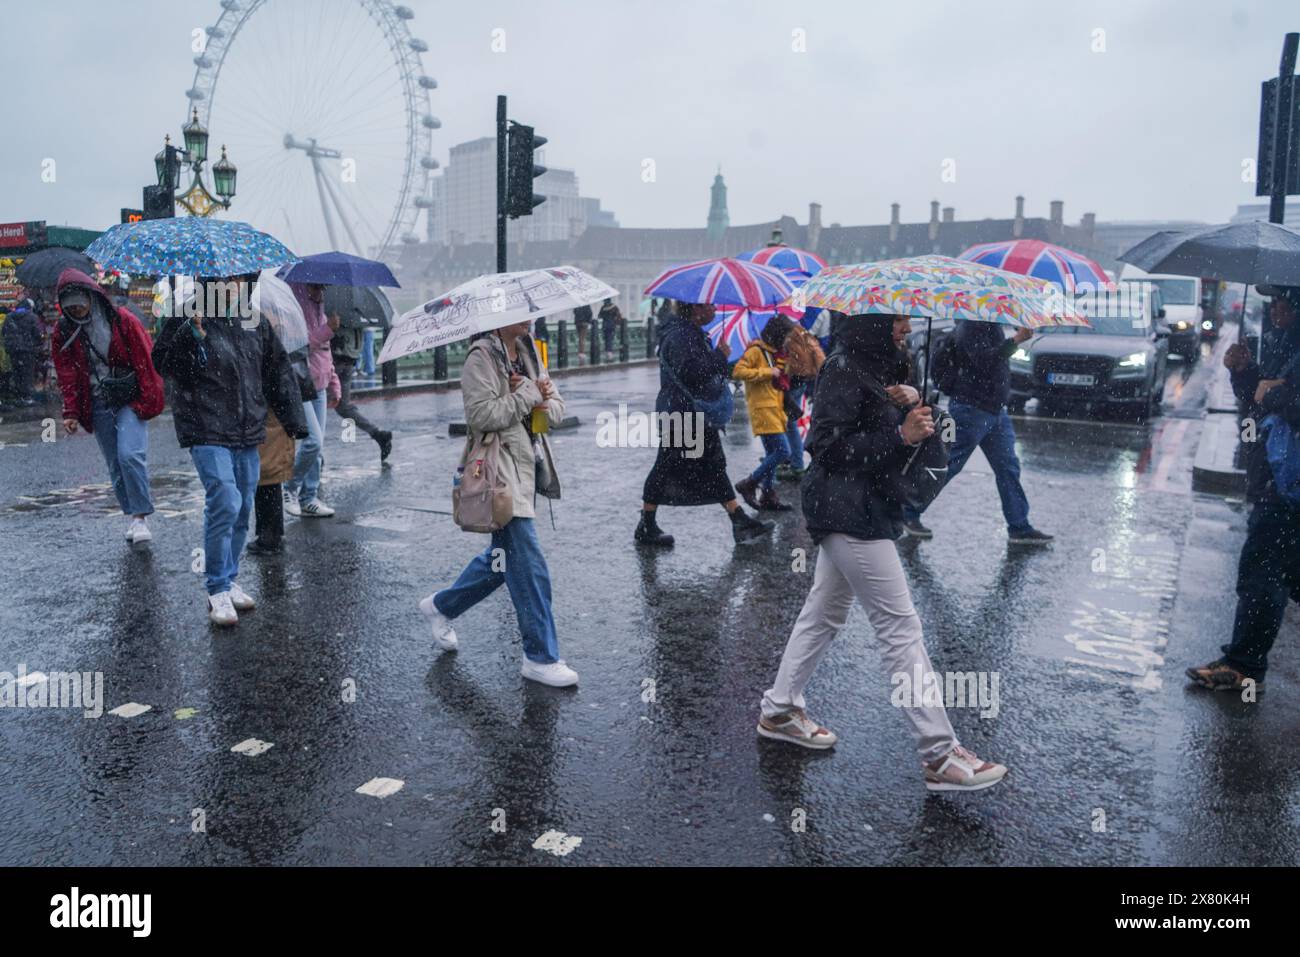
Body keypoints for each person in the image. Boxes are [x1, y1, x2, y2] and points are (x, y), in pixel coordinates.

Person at [757, 312, 1009, 791]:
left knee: (823, 614)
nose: (906, 327)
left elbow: (882, 419)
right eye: (896, 320)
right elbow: (825, 446)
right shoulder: (843, 367)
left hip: (865, 507)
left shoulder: (884, 365)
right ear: (871, 323)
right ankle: (939, 754)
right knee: (900, 628)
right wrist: (898, 434)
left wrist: (912, 399)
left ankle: (780, 710)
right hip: (850, 511)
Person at [418, 320, 579, 687]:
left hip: (526, 466)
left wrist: (538, 397)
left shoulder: (529, 352)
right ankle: (540, 657)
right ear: (500, 318)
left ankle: (442, 606)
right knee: (531, 566)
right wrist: (528, 395)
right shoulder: (481, 358)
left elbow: (554, 408)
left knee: (500, 561)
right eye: (522, 312)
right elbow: (481, 417)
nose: (531, 317)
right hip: (499, 471)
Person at [152, 274, 306, 627]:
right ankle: (217, 588)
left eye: (238, 279)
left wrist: (292, 418)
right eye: (224, 279)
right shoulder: (189, 314)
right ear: (209, 282)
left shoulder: (253, 320)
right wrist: (189, 337)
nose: (232, 285)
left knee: (243, 506)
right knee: (224, 500)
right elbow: (165, 363)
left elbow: (276, 369)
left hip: (247, 429)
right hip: (205, 426)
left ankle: (230, 577)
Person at [1187, 285, 1300, 692]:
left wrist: (1278, 393)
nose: (1276, 310)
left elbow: (1283, 403)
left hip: (1287, 488)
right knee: (1279, 575)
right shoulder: (1283, 343)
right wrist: (1245, 373)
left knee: (1263, 575)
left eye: (1284, 303)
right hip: (1277, 477)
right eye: (1272, 303)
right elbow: (1256, 407)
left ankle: (1243, 664)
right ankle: (1244, 661)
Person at [634, 301, 774, 547]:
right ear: (696, 310)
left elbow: (700, 369)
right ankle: (647, 525)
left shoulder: (687, 332)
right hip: (683, 412)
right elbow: (693, 373)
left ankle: (737, 519)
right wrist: (720, 356)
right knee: (668, 465)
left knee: (712, 464)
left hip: (689, 411)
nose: (713, 309)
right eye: (709, 306)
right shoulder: (681, 335)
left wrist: (721, 358)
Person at [902, 320, 1053, 545]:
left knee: (1008, 467)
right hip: (971, 409)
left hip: (994, 410)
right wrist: (1016, 340)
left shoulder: (988, 323)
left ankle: (1019, 526)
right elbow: (983, 360)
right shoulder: (972, 324)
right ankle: (908, 512)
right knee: (948, 464)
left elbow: (992, 359)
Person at [51, 270, 166, 543]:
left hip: (129, 398)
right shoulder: (63, 332)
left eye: (80, 304)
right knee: (115, 464)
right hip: (98, 401)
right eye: (71, 308)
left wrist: (149, 400)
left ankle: (140, 516)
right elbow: (66, 373)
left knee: (130, 455)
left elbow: (145, 360)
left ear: (91, 296)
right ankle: (132, 514)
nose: (77, 311)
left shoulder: (122, 320)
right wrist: (71, 411)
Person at [284, 283, 341, 517]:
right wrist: (328, 328)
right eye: (319, 287)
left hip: (320, 386)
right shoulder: (296, 307)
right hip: (302, 384)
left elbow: (325, 352)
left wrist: (334, 382)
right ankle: (288, 488)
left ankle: (309, 497)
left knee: (317, 448)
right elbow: (300, 345)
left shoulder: (321, 308)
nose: (323, 290)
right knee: (313, 442)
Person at [733, 315, 797, 512]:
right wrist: (767, 372)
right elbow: (738, 372)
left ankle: (768, 495)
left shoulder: (775, 354)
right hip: (762, 409)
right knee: (783, 452)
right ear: (778, 334)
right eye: (787, 335)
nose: (788, 340)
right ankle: (750, 483)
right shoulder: (756, 351)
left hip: (775, 410)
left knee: (772, 453)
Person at [330, 318, 393, 463]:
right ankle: (377, 434)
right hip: (349, 360)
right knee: (343, 407)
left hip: (334, 361)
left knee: (314, 403)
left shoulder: (336, 310)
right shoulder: (355, 311)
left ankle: (314, 456)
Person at [776, 324, 825, 481]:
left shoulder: (788, 340)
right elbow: (820, 359)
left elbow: (786, 366)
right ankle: (789, 459)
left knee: (788, 424)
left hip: (790, 385)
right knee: (789, 423)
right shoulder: (805, 335)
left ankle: (795, 463)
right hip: (802, 382)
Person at [3, 297, 40, 406]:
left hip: (13, 350)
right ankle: (27, 397)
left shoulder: (9, 317)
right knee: (27, 373)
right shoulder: (32, 317)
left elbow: (4, 331)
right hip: (27, 350)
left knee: (17, 372)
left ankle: (18, 396)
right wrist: (37, 342)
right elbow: (37, 333)